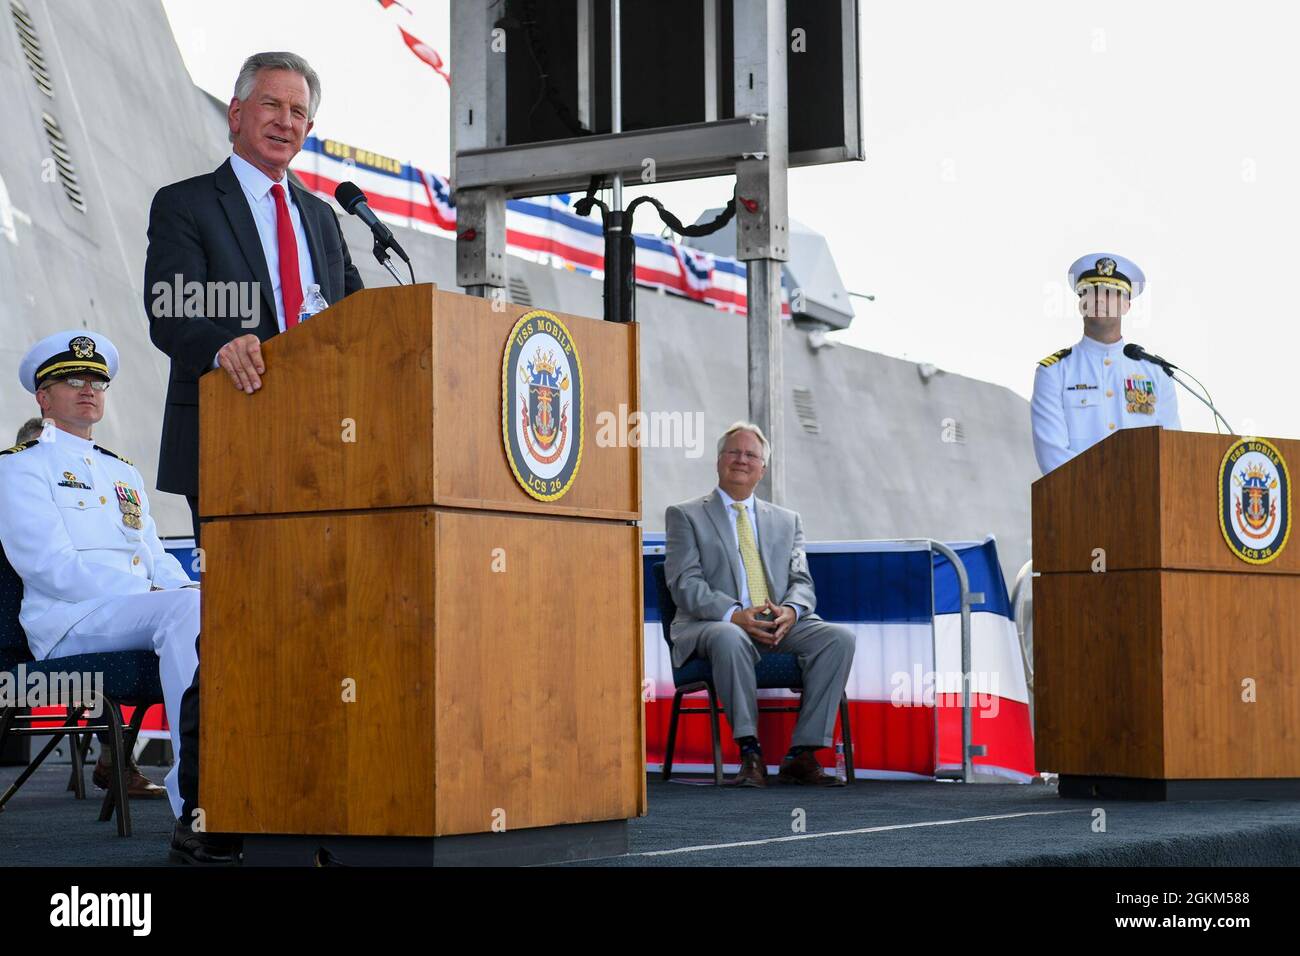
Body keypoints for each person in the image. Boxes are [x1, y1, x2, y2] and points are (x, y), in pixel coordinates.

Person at [0, 331, 232, 864]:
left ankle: (245, 782)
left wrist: (180, 587)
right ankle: (196, 802)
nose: (88, 391)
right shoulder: (19, 466)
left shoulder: (122, 470)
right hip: (67, 621)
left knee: (210, 605)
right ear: (43, 397)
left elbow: (154, 555)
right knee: (185, 609)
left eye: (97, 382)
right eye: (72, 381)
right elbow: (50, 568)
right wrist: (157, 595)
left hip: (131, 611)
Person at [143, 50, 364, 541]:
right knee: (240, 601)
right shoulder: (186, 204)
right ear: (237, 114)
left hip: (323, 437)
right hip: (230, 431)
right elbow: (171, 307)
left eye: (298, 112)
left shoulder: (324, 218)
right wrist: (220, 346)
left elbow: (358, 319)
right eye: (271, 105)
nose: (286, 122)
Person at [663, 422, 856, 787]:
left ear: (762, 469)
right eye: (733, 452)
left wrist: (791, 611)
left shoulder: (788, 520)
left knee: (838, 638)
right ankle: (750, 752)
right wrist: (733, 614)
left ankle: (801, 754)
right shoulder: (685, 515)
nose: (741, 460)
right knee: (729, 637)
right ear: (719, 461)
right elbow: (684, 583)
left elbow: (802, 581)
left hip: (776, 623)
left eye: (751, 455)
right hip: (713, 625)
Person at [10, 418, 166, 800]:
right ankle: (116, 754)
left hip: (99, 612)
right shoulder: (16, 496)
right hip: (35, 633)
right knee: (96, 657)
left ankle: (121, 755)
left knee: (164, 635)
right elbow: (55, 572)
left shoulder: (100, 498)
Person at [1031, 253, 1181, 474]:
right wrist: (1113, 486)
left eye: (1110, 293)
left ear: (1126, 305)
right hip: (1078, 501)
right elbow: (1053, 457)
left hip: (1146, 503)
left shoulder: (1156, 373)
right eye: (1090, 292)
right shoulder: (1053, 372)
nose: (1099, 299)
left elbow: (1173, 450)